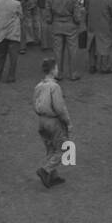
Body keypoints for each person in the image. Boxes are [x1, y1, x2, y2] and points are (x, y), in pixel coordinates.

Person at [33, 59, 71, 188]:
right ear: (53, 69)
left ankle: (52, 176)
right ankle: (46, 170)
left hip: (41, 121)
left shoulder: (38, 86)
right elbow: (59, 108)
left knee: (50, 148)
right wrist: (67, 121)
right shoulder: (54, 87)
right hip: (53, 122)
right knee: (64, 149)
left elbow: (34, 103)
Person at [46, 0, 81, 80]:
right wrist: (77, 21)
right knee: (73, 50)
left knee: (57, 51)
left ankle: (58, 73)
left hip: (56, 24)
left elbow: (48, 16)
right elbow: (77, 15)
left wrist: (51, 21)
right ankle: (73, 73)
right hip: (70, 25)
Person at [84, 0, 112, 73]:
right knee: (105, 44)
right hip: (104, 24)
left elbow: (86, 8)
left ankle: (92, 65)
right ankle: (104, 66)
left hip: (92, 23)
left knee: (92, 44)